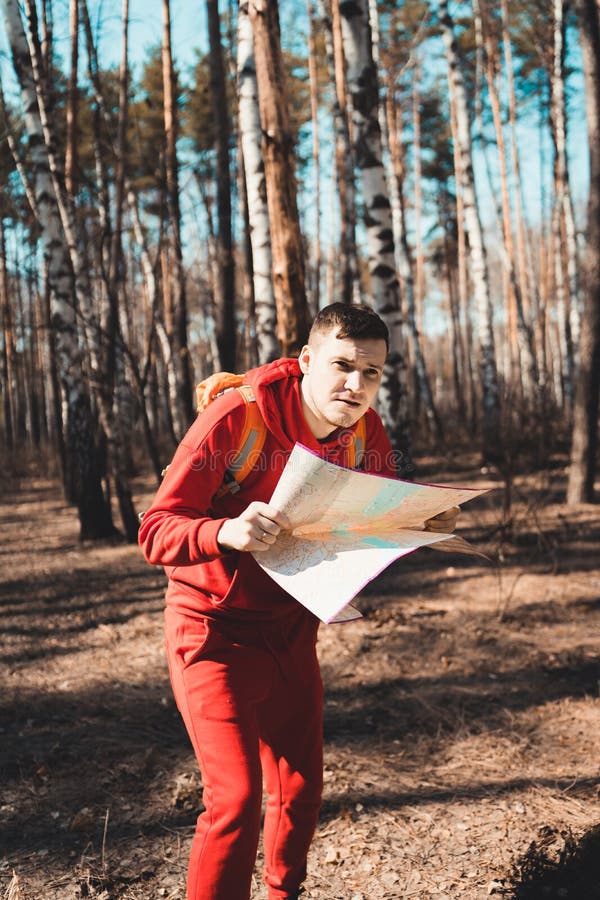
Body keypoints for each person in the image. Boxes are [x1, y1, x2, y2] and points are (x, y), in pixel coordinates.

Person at [138, 303, 458, 900]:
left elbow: (373, 509)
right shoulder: (237, 418)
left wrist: (422, 519)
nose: (355, 385)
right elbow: (155, 530)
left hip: (292, 627)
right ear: (307, 359)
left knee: (299, 790)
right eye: (342, 366)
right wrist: (223, 532)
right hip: (212, 630)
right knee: (235, 799)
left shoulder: (365, 431)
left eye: (371, 372)